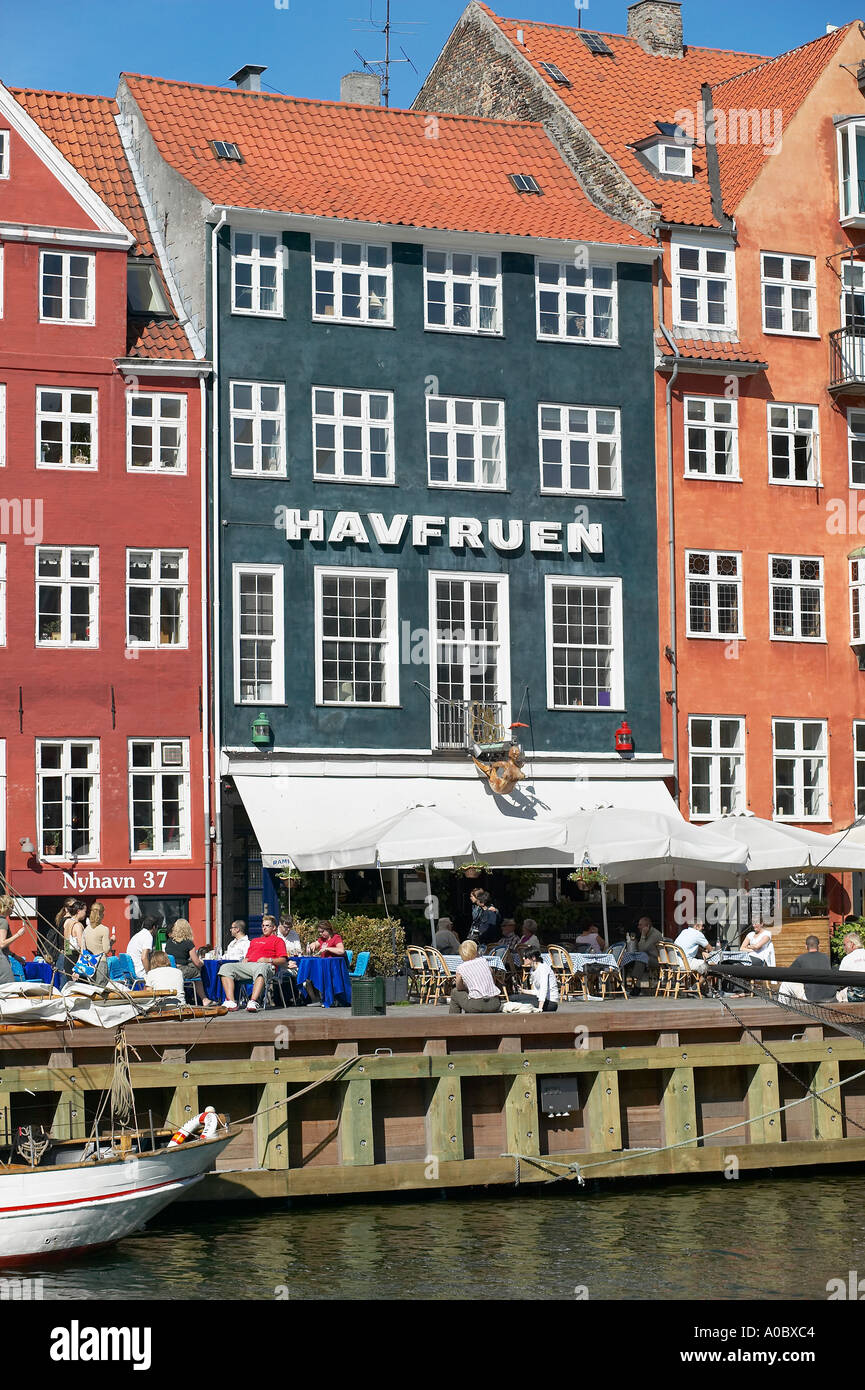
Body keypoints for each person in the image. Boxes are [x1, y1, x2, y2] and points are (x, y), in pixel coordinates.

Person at [218, 917, 287, 1012]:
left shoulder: (278, 940)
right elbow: (248, 956)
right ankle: (231, 1001)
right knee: (225, 967)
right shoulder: (254, 941)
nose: (264, 928)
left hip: (266, 965)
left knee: (261, 967)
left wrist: (268, 959)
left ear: (274, 927)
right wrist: (245, 959)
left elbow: (283, 960)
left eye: (267, 926)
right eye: (263, 926)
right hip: (249, 966)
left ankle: (253, 1001)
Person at [448, 940, 502, 1014]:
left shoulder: (460, 968)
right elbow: (493, 980)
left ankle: (453, 1021)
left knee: (455, 992)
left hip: (476, 1005)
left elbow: (459, 988)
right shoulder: (484, 961)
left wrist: (467, 987)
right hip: (494, 1003)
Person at [779, 935, 837, 1004]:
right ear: (818, 946)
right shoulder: (826, 957)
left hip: (812, 997)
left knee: (785, 984)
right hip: (830, 997)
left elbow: (788, 974)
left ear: (806, 946)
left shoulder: (801, 958)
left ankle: (782, 1008)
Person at [167, 919, 208, 1005]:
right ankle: (204, 999)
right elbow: (196, 962)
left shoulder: (169, 942)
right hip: (181, 971)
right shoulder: (188, 943)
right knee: (197, 971)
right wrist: (202, 963)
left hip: (171, 970)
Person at [56, 899, 88, 980]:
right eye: (84, 911)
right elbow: (82, 947)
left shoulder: (67, 922)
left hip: (68, 957)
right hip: (76, 959)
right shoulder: (78, 925)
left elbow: (66, 943)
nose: (85, 913)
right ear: (78, 911)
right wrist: (79, 967)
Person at [523, 947, 559, 1012]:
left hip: (550, 1002)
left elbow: (543, 989)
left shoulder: (543, 968)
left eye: (525, 957)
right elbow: (537, 991)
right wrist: (523, 991)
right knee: (513, 998)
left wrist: (540, 1008)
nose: (523, 958)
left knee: (521, 1002)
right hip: (540, 998)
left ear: (533, 958)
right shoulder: (532, 969)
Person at [837, 933, 865, 1003]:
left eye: (845, 944)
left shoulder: (847, 959)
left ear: (852, 944)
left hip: (855, 996)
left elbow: (840, 980)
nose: (844, 947)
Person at [127, 915, 157, 981]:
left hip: (132, 971)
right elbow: (144, 957)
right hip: (140, 972)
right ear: (154, 927)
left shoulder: (137, 935)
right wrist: (149, 974)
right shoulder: (148, 936)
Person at [0, 895, 27, 964]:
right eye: (12, 906)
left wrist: (15, 956)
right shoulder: (3, 921)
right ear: (7, 907)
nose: (13, 908)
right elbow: (2, 944)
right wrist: (18, 934)